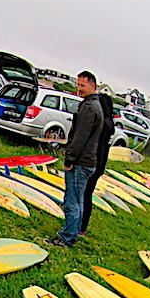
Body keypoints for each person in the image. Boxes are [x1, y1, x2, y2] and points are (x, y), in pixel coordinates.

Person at [51, 70, 103, 247]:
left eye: (82, 85)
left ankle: (67, 237)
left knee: (72, 200)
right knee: (79, 199)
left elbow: (80, 137)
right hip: (88, 161)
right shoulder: (95, 105)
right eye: (78, 84)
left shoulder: (89, 107)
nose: (79, 89)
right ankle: (73, 231)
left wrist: (69, 159)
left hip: (81, 162)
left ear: (92, 86)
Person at [79, 92, 115, 237]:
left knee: (85, 194)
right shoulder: (108, 122)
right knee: (86, 194)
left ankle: (81, 226)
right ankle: (81, 225)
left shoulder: (103, 123)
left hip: (94, 162)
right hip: (99, 163)